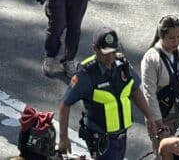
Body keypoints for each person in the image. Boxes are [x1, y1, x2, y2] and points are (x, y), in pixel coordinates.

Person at [57, 28, 161, 160]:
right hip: (101, 140)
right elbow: (65, 104)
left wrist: (149, 116)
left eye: (113, 52)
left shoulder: (122, 65)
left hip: (122, 136)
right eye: (106, 53)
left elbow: (135, 90)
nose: (110, 57)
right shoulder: (86, 75)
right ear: (95, 48)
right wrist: (63, 138)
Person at [141, 16, 179, 142]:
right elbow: (149, 94)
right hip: (164, 115)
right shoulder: (151, 59)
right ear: (161, 36)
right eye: (171, 38)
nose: (176, 41)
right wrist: (159, 125)